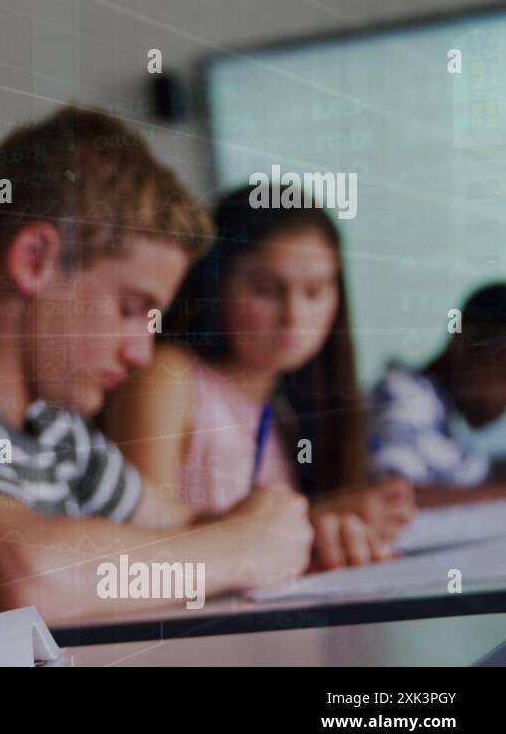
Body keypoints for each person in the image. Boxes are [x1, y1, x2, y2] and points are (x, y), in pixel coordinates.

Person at [0, 106, 315, 648]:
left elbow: (191, 529)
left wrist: (313, 529)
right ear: (36, 260)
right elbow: (24, 577)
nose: (142, 354)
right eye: (133, 308)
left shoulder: (56, 430)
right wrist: (245, 548)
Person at [103, 186, 415, 572]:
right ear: (215, 286)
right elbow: (140, 544)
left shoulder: (286, 411)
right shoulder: (168, 377)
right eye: (267, 290)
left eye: (315, 292)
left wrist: (331, 523)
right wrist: (310, 523)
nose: (293, 316)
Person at [369, 283, 506, 506]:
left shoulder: (442, 418)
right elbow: (391, 500)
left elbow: (479, 471)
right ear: (464, 345)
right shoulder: (405, 397)